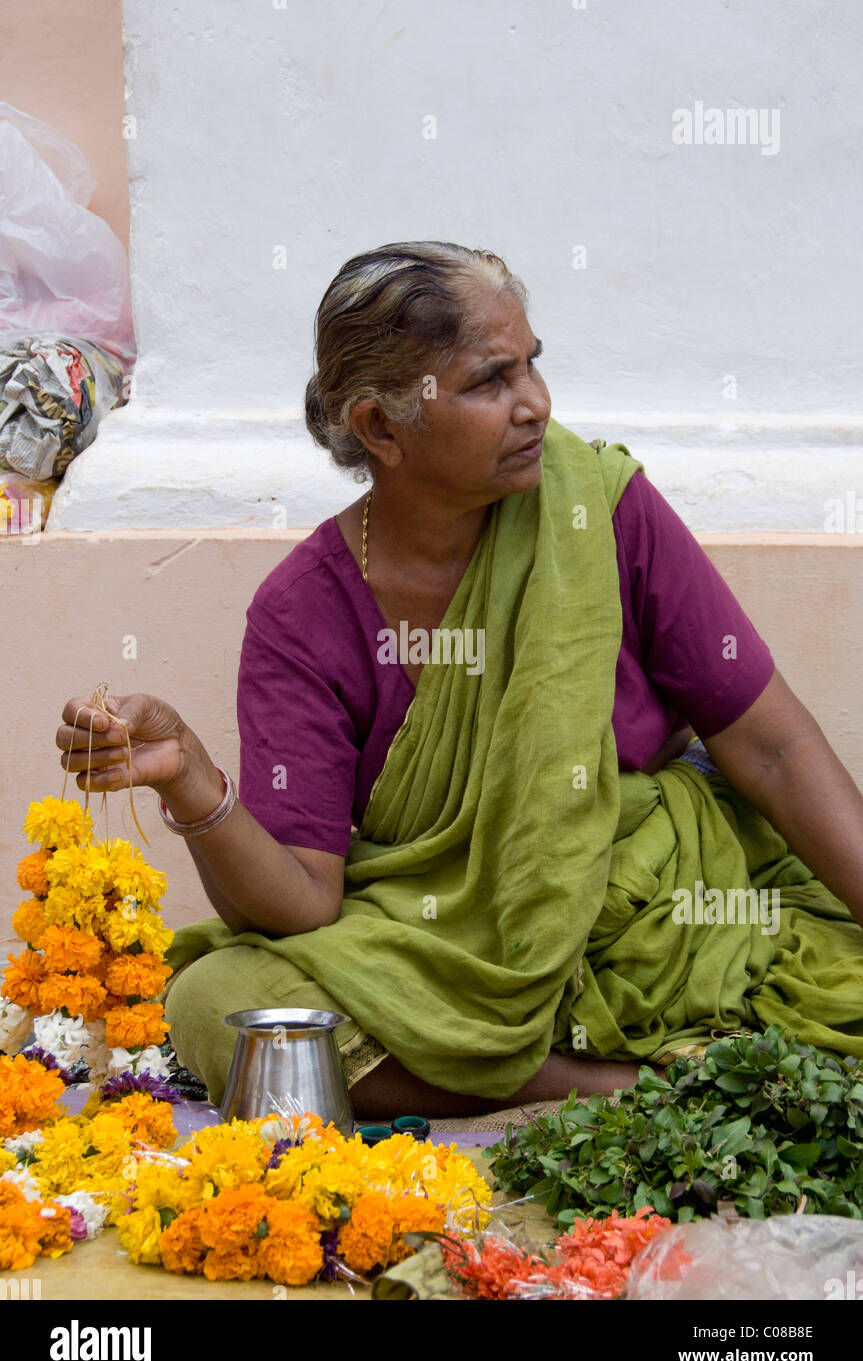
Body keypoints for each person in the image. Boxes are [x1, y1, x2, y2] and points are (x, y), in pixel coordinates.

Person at [57, 241, 863, 1118]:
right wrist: (191, 780)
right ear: (379, 427)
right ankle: (619, 1089)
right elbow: (304, 900)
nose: (534, 406)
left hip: (660, 920)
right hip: (445, 940)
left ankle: (558, 1075)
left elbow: (774, 747)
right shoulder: (302, 614)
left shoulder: (597, 505)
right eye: (490, 382)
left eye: (531, 368)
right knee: (223, 1002)